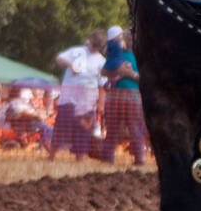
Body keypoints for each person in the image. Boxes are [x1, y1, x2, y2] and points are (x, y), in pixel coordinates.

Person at [50, 30, 106, 158]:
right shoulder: (77, 52)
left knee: (83, 131)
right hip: (68, 99)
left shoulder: (102, 62)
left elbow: (102, 85)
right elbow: (59, 58)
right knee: (61, 127)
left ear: (99, 46)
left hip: (87, 102)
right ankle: (51, 156)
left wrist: (101, 105)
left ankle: (79, 159)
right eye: (92, 43)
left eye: (96, 45)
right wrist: (71, 64)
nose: (92, 46)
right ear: (89, 40)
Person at [101, 27, 146, 165]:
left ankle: (139, 160)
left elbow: (146, 79)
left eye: (133, 35)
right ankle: (107, 160)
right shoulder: (116, 53)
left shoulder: (143, 55)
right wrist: (117, 71)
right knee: (112, 128)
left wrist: (130, 74)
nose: (130, 38)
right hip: (114, 95)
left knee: (135, 129)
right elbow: (103, 72)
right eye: (128, 35)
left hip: (134, 97)